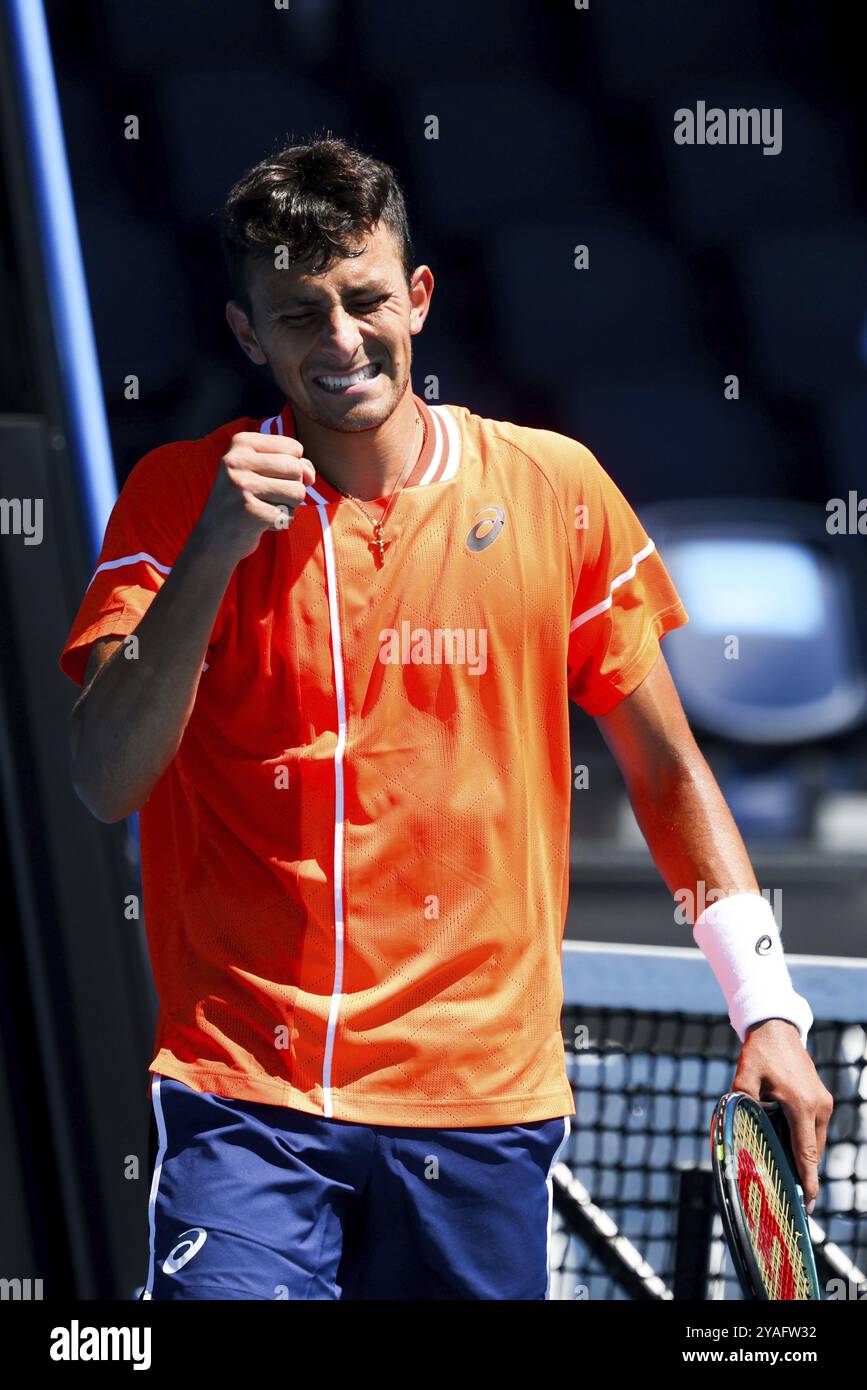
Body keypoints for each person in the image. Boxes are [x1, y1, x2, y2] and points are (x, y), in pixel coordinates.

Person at [60, 136, 833, 1300]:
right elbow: (104, 776)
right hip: (251, 1102)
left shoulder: (556, 490)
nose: (339, 341)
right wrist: (213, 556)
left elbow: (669, 774)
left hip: (479, 1113)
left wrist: (765, 1006)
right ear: (245, 333)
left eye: (364, 299)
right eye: (298, 313)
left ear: (416, 296)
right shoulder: (179, 496)